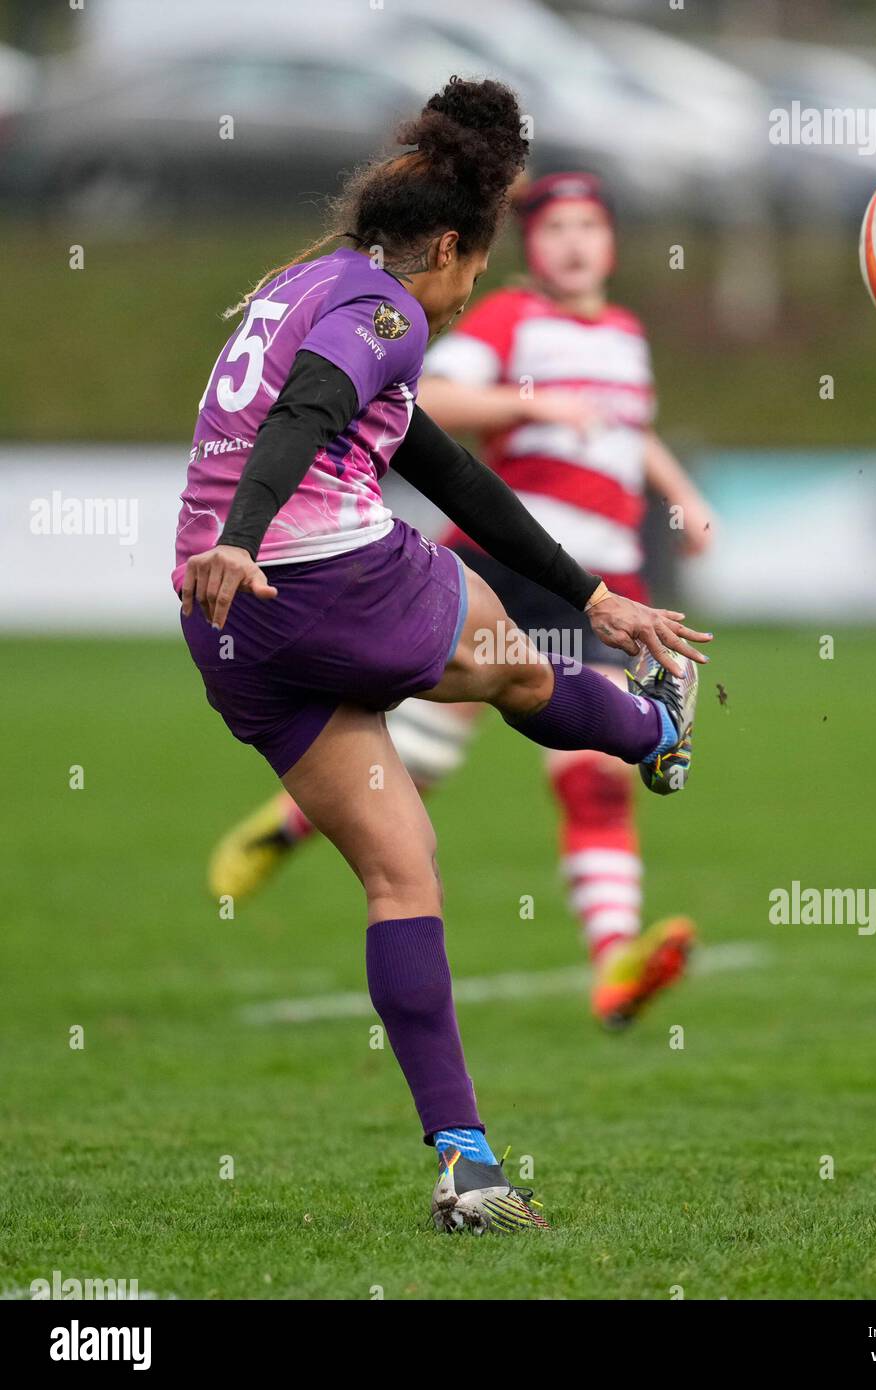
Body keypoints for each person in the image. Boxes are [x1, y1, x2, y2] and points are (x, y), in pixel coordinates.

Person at [175, 79, 709, 1233]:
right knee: (519, 674)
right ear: (453, 246)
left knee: (402, 870)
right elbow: (307, 413)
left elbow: (452, 473)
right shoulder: (386, 311)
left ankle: (466, 1164)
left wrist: (593, 595)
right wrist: (244, 535)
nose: (473, 294)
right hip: (321, 576)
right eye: (476, 269)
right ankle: (660, 726)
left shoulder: (304, 279)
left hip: (229, 624)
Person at [210, 170, 716, 1029]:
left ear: (613, 242)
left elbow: (627, 429)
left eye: (589, 225)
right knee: (421, 761)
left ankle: (614, 961)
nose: (573, 242)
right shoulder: (509, 318)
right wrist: (535, 400)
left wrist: (679, 489)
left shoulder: (626, 334)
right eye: (555, 228)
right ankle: (294, 824)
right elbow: (425, 399)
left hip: (600, 571)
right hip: (507, 562)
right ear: (523, 246)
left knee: (585, 780)